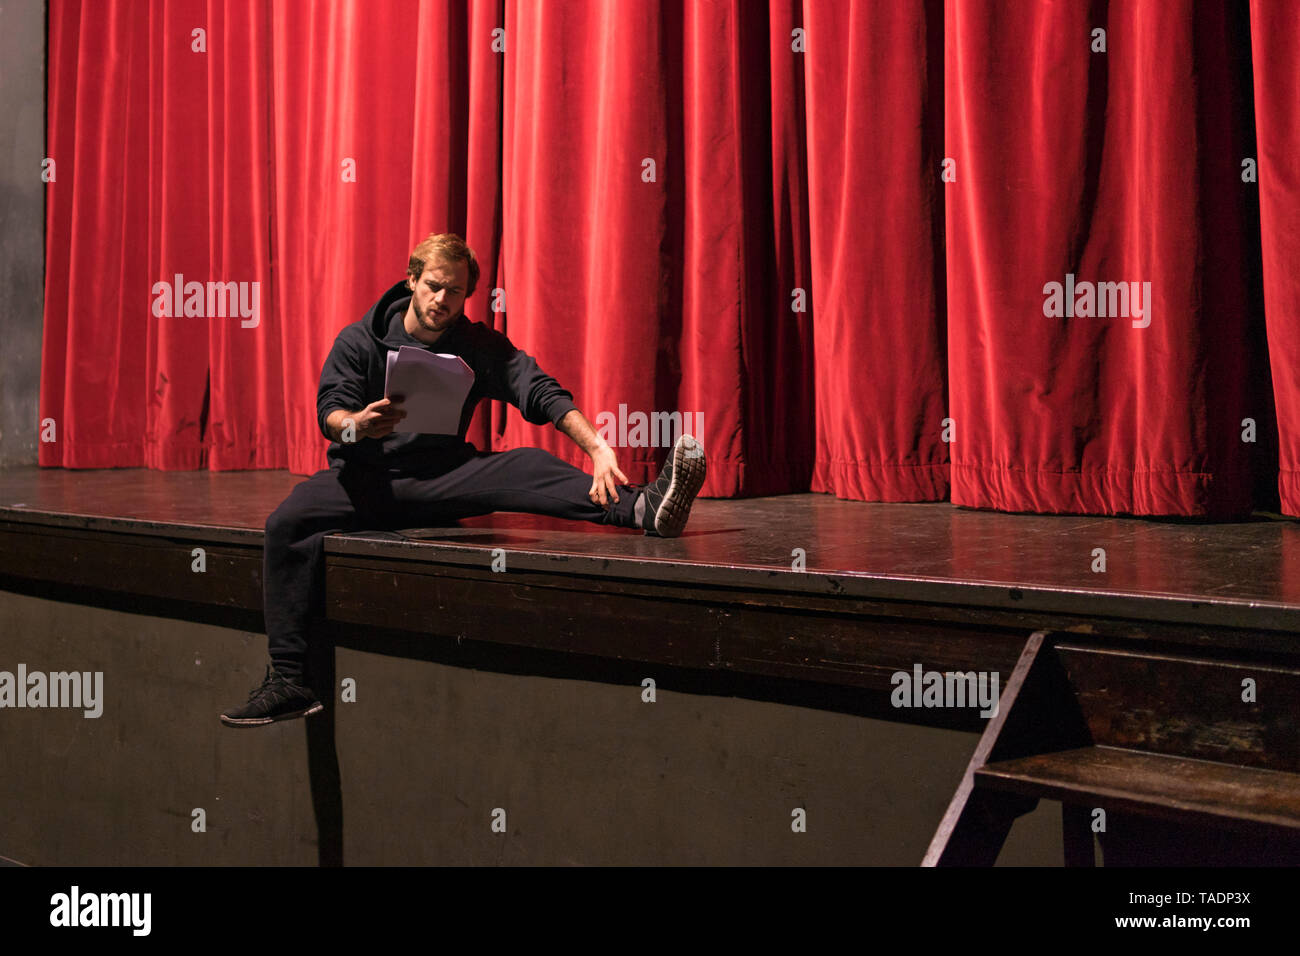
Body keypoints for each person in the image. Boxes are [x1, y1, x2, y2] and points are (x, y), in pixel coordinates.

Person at [220, 233, 706, 727]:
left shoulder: (474, 344)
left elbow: (535, 387)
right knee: (286, 522)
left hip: (442, 479)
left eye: (455, 292)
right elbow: (330, 412)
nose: (442, 301)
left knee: (527, 465)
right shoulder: (360, 339)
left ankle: (642, 508)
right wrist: (356, 425)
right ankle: (289, 682)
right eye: (433, 286)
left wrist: (597, 446)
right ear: (411, 279)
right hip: (364, 482)